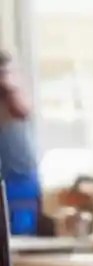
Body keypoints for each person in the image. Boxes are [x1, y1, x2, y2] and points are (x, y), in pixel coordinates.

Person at [0, 52, 45, 236]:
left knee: (22, 236)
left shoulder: (13, 94)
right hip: (10, 180)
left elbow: (23, 110)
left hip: (23, 180)